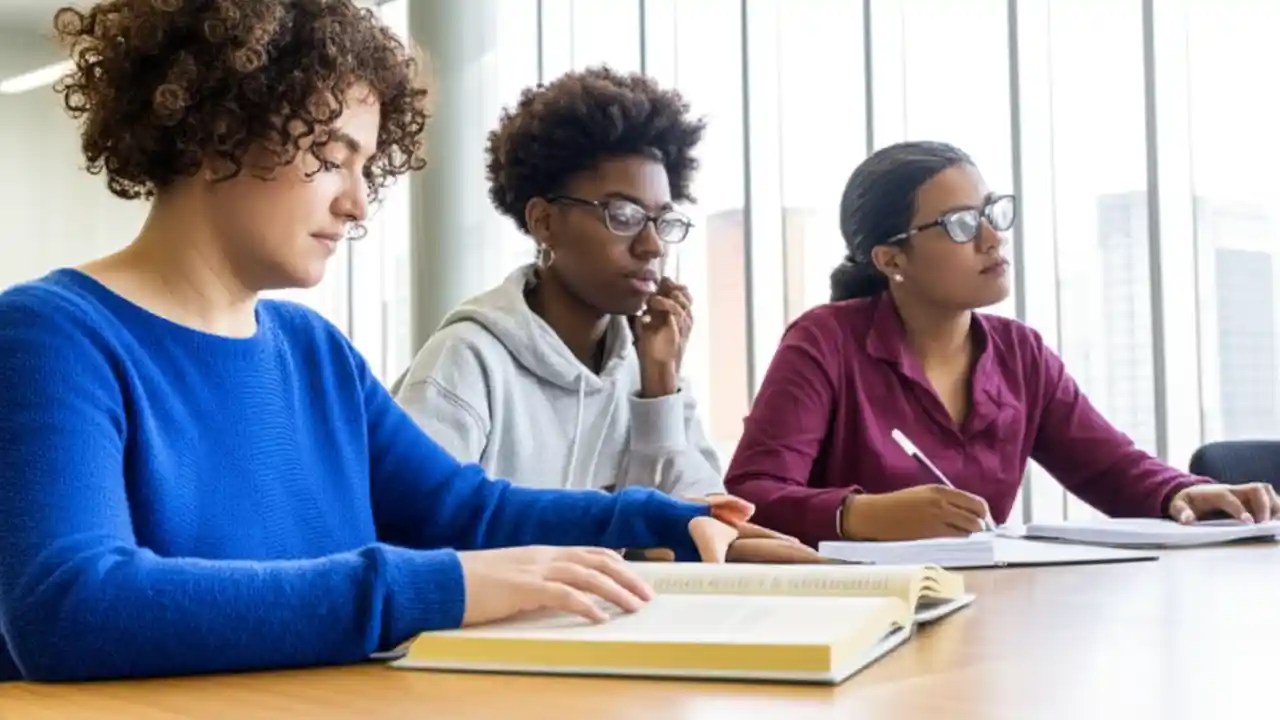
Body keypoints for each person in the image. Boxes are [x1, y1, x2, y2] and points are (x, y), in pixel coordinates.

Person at [0, 1, 757, 683]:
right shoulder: (51, 335)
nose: (357, 204)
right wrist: (443, 586)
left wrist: (660, 519)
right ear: (215, 131)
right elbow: (69, 608)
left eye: (365, 166)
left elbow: (465, 511)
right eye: (332, 158)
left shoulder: (314, 352)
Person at [724, 140, 1280, 548]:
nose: (993, 238)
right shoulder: (825, 341)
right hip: (851, 615)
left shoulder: (1020, 354)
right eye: (961, 225)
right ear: (891, 259)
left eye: (991, 213)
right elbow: (751, 495)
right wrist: (861, 514)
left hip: (983, 607)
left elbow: (1110, 468)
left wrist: (1180, 493)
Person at [395, 67, 722, 498]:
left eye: (662, 221)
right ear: (544, 222)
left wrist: (659, 391)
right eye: (624, 216)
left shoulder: (648, 362)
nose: (653, 246)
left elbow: (706, 518)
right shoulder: (468, 359)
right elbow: (415, 519)